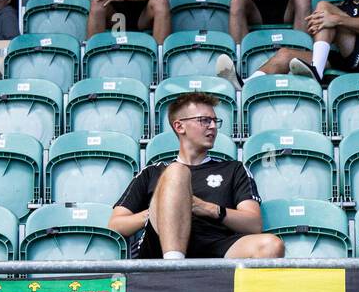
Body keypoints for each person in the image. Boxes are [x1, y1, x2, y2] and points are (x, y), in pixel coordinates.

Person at [108, 93, 284, 260]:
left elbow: (253, 224)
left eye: (215, 121)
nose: (213, 126)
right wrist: (164, 209)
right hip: (160, 246)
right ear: (179, 126)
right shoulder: (152, 171)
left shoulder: (234, 169)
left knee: (271, 245)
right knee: (177, 171)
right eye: (205, 120)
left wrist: (209, 209)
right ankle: (174, 268)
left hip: (215, 245)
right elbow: (116, 224)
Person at [244, 0, 359, 84]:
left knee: (323, 7)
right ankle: (246, 84)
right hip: (349, 59)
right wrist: (328, 21)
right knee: (285, 54)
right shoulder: (346, 5)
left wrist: (335, 19)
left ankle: (316, 70)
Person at [227, 0, 310, 45]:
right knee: (236, 1)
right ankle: (238, 60)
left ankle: (302, 54)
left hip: (285, 11)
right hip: (256, 13)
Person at [87, 0, 171, 45]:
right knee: (97, 4)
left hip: (144, 17)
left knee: (161, 3)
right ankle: (92, 56)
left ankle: (160, 61)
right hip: (116, 18)